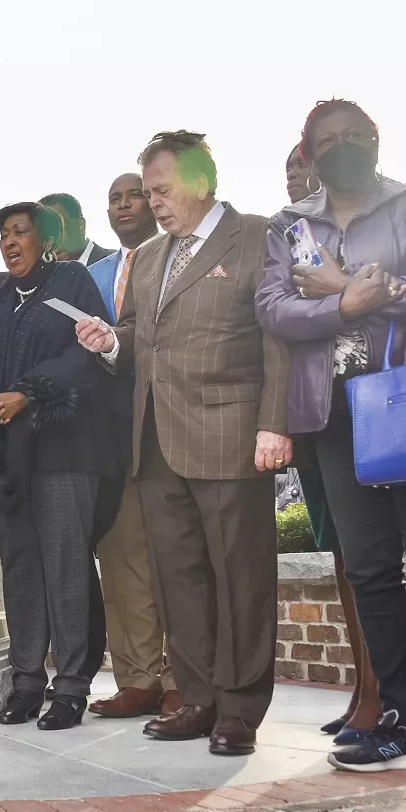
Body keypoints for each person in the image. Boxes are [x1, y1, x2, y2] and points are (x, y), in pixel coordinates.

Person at [76, 131, 290, 757]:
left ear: (199, 181)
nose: (154, 203)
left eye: (162, 190)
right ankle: (196, 699)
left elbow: (278, 336)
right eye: (148, 192)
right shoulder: (147, 257)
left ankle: (240, 709)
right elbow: (140, 335)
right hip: (157, 442)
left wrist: (274, 423)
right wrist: (111, 343)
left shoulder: (255, 234)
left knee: (240, 578)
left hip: (232, 436)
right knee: (180, 581)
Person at [254, 100, 406, 772]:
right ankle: (396, 713)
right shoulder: (289, 226)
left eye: (354, 136)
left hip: (400, 399)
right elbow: (274, 309)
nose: (341, 147)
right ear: (309, 154)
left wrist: (348, 288)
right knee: (370, 566)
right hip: (339, 417)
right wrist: (343, 306)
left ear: (376, 140)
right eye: (327, 140)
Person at [0, 203, 117, 731]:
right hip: (6, 455)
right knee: (19, 565)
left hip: (62, 449)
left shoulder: (71, 281)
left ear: (44, 238)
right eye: (1, 234)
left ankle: (70, 685)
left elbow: (85, 356)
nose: (8, 242)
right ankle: (27, 680)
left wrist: (26, 393)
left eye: (19, 231)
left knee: (67, 564)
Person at [279, 140, 380, 744]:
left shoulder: (375, 226)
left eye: (306, 165)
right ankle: (362, 687)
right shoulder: (284, 240)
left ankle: (381, 694)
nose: (297, 176)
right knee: (342, 555)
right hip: (315, 416)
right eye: (289, 168)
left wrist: (339, 292)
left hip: (373, 410)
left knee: (375, 559)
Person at [82, 174, 177, 719]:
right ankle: (137, 678)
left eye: (133, 194)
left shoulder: (177, 258)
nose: (122, 205)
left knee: (176, 558)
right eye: (114, 197)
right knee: (120, 561)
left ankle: (180, 678)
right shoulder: (91, 276)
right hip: (110, 439)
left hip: (168, 429)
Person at [41, 193, 116, 266]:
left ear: (81, 225)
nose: (50, 240)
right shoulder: (41, 273)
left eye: (56, 227)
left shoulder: (118, 263)